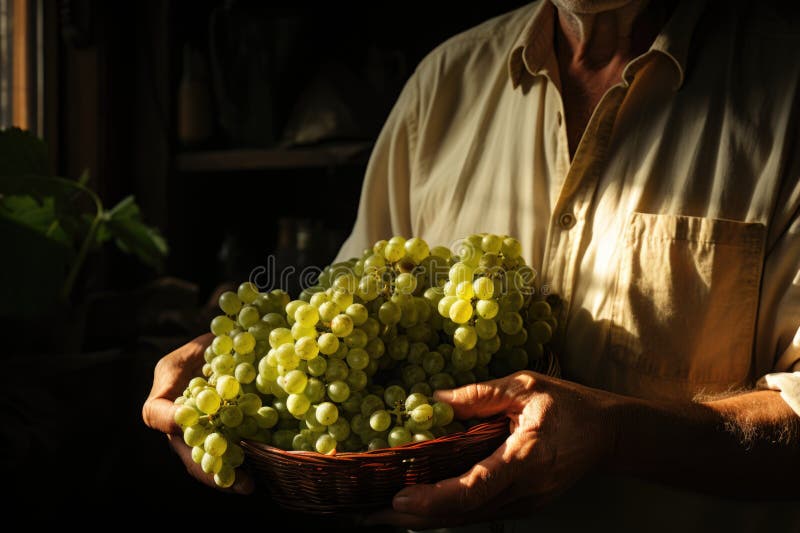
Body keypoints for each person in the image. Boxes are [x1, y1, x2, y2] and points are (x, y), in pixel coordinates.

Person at [144, 0, 800, 530]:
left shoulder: (787, 89)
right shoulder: (442, 86)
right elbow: (341, 329)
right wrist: (237, 370)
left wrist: (615, 433)